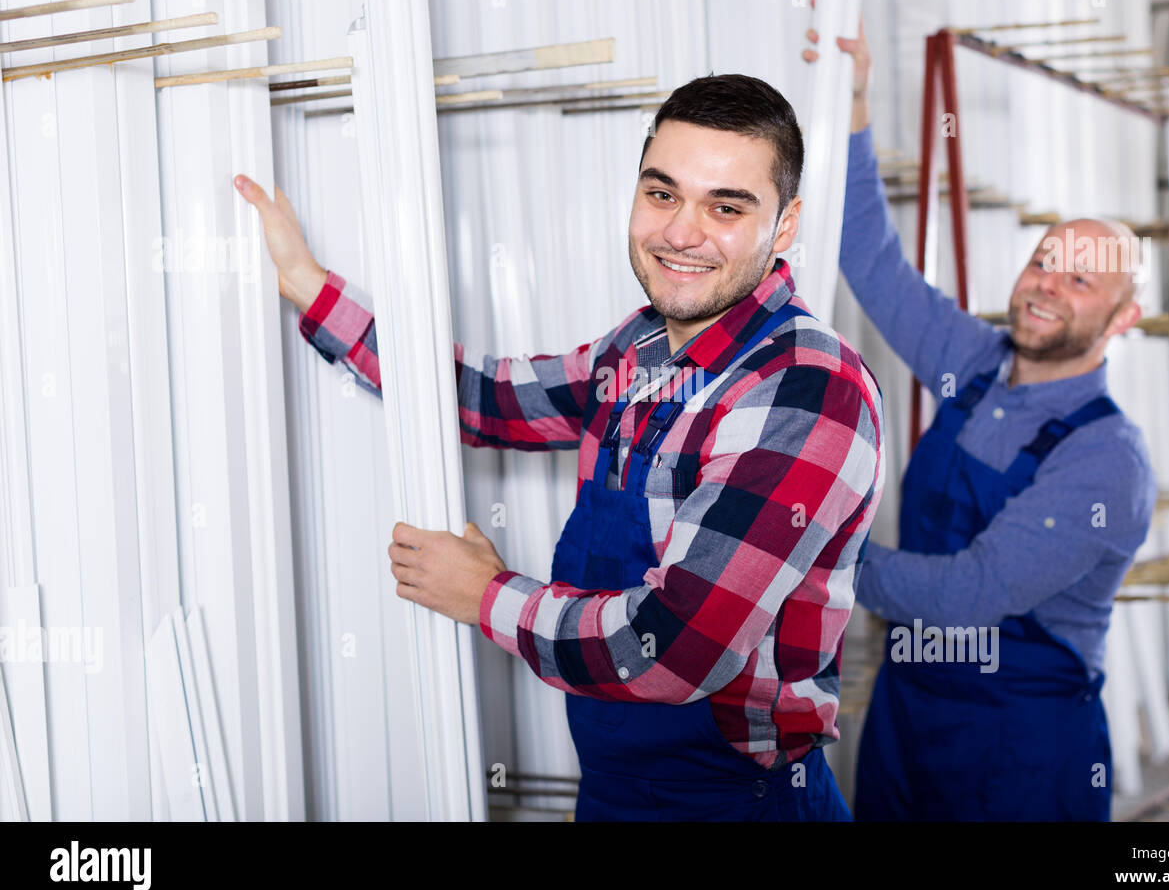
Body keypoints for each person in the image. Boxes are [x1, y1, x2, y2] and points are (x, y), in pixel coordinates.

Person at [236, 73, 885, 821]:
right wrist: (310, 287)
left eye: (726, 207)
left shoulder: (806, 385)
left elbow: (676, 649)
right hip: (615, 792)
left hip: (738, 802)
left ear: (785, 224)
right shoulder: (636, 350)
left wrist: (483, 594)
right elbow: (487, 398)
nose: (680, 232)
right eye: (662, 193)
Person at [804, 21, 1156, 820]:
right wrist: (855, 103)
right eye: (1043, 261)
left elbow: (972, 592)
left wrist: (810, 553)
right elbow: (870, 261)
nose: (1044, 287)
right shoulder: (977, 358)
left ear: (1123, 318)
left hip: (1023, 750)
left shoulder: (1108, 461)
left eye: (1079, 282)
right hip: (908, 718)